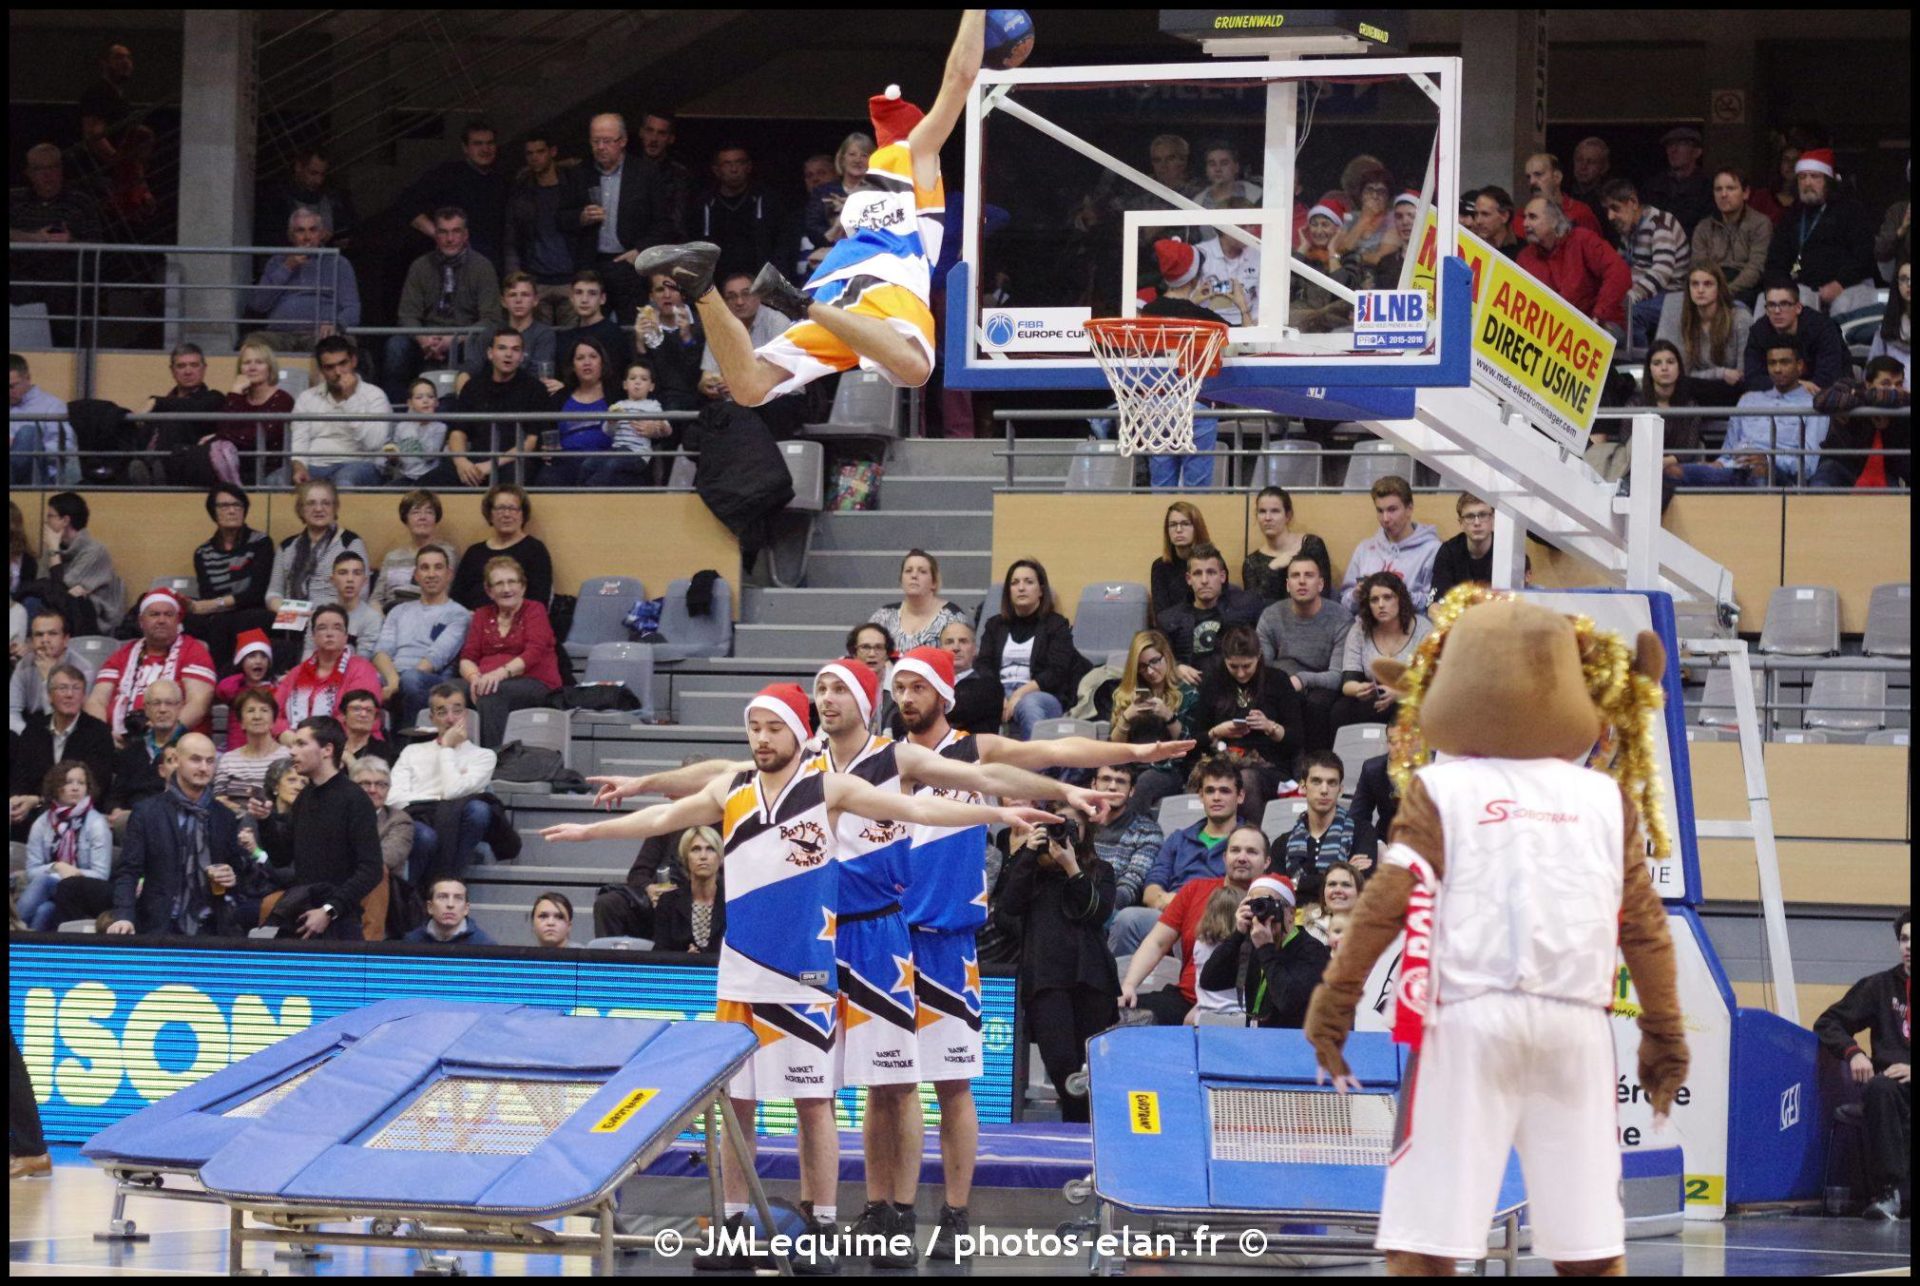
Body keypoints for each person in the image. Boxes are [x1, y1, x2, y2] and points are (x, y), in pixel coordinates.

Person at [543, 682, 1063, 1269]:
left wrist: (998, 812)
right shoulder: (733, 788)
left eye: (773, 728)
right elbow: (667, 815)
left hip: (806, 975)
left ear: (797, 731)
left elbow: (917, 809)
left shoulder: (827, 788)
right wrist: (590, 831)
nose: (762, 739)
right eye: (754, 729)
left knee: (813, 1104)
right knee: (736, 1105)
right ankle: (733, 1227)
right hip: (740, 972)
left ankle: (822, 1227)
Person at [1305, 594, 1685, 1277]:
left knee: (1426, 1245)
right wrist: (1664, 1031)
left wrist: (1335, 1001)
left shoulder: (1442, 787)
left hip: (1469, 1023)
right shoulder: (1606, 799)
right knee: (1591, 1251)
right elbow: (1646, 930)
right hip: (1576, 1032)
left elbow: (1385, 903)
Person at [636, 13, 985, 415]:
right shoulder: (916, 159)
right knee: (916, 368)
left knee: (750, 387)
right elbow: (960, 77)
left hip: (836, 290)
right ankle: (798, 304)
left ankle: (701, 285)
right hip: (886, 282)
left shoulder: (864, 189)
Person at [994, 806, 1118, 1121]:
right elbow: (1007, 908)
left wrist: (1072, 867)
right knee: (1061, 1064)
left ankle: (1085, 1131)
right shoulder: (1030, 871)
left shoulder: (1101, 870)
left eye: (1070, 825)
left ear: (1085, 832)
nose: (1061, 831)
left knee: (1091, 1067)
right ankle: (1078, 1125)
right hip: (1046, 978)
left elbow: (1098, 913)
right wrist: (1028, 853)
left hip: (1091, 976)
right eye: (1053, 825)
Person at [105, 733, 257, 937]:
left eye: (210, 761)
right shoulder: (147, 813)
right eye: (195, 759)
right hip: (159, 926)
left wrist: (233, 876)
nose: (203, 768)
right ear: (176, 760)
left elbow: (241, 873)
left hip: (212, 928)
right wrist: (123, 916)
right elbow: (128, 871)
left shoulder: (224, 816)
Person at [1813, 908, 1910, 1222]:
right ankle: (1889, 1194)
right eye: (1904, 939)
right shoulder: (1880, 987)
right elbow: (1828, 1022)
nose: (1909, 946)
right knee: (1879, 1088)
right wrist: (1853, 1052)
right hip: (1893, 1090)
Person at [1118, 822, 1267, 1026]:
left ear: (1267, 862)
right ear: (1224, 857)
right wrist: (1129, 985)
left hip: (1246, 1006)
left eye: (1251, 852)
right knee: (1121, 1016)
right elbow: (1157, 943)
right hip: (1187, 997)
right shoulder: (1195, 890)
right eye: (1235, 850)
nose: (1242, 857)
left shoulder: (1274, 898)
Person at [1107, 756, 1244, 958]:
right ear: (1201, 796)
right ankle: (1120, 979)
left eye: (1224, 791)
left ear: (1240, 796)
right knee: (1127, 919)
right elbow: (1151, 890)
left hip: (1218, 917)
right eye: (1210, 791)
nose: (1216, 797)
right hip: (1171, 915)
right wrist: (1169, 903)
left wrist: (1187, 903)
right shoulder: (1178, 839)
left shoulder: (1247, 842)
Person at [559, 112, 679, 325]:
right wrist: (581, 217)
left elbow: (664, 222)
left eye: (607, 141)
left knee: (634, 327)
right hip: (592, 264)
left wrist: (641, 250)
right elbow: (561, 218)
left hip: (630, 264)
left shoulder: (646, 173)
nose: (600, 147)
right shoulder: (579, 173)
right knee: (592, 328)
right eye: (595, 141)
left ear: (622, 141)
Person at [277, 715, 386, 940]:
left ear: (327, 750)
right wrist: (263, 821)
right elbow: (281, 856)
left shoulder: (354, 799)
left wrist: (330, 909)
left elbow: (371, 869)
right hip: (302, 914)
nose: (292, 751)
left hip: (339, 924)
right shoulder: (304, 797)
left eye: (301, 744)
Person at [384, 205, 503, 402]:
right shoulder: (420, 266)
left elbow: (491, 319)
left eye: (456, 232)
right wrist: (423, 339)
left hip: (466, 338)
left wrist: (455, 339)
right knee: (396, 346)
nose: (450, 239)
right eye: (443, 232)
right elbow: (407, 315)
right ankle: (398, 409)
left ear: (465, 235)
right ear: (436, 234)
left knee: (484, 341)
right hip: (426, 338)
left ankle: (471, 405)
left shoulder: (482, 266)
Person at [388, 682, 499, 886]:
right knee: (425, 836)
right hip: (420, 816)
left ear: (466, 715)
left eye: (457, 711)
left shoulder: (484, 756)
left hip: (457, 820)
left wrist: (447, 748)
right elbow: (393, 796)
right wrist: (434, 800)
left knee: (479, 810)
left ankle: (449, 880)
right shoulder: (413, 751)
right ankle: (413, 894)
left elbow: (451, 791)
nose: (450, 718)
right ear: (432, 718)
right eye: (442, 712)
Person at [1684, 339, 1829, 486]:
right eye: (1772, 363)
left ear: (1799, 366)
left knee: (1760, 470)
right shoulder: (1748, 400)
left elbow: (1809, 466)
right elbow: (1727, 451)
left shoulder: (1813, 406)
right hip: (1734, 469)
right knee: (1675, 472)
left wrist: (1768, 459)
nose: (1777, 369)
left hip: (1778, 475)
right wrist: (1718, 464)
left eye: (1784, 362)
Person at [1196, 873, 1327, 1029]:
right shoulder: (1252, 945)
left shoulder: (1312, 950)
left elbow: (1288, 1002)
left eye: (1268, 904)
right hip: (1255, 1037)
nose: (1261, 912)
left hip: (1294, 1040)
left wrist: (1266, 949)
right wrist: (1238, 934)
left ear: (1290, 913)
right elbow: (1209, 980)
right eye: (1255, 905)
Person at [86, 589, 217, 742]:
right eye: (154, 614)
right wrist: (105, 737)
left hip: (177, 744)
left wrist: (160, 740)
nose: (161, 620)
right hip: (118, 741)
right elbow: (97, 700)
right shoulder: (123, 654)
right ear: (141, 621)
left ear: (178, 621)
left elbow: (198, 704)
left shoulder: (193, 651)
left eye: (168, 615)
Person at [456, 555, 560, 748]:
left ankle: (493, 758)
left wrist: (498, 674)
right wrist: (474, 677)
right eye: (499, 584)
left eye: (512, 582)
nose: (506, 589)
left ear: (523, 586)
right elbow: (467, 657)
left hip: (534, 681)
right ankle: (450, 755)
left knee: (491, 693)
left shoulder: (534, 610)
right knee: (448, 692)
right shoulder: (481, 615)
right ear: (489, 591)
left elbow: (534, 652)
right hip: (486, 680)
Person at [1256, 553, 1353, 754]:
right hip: (1279, 681)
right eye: (1295, 575)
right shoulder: (1271, 615)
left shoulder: (1340, 618)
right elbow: (1261, 666)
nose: (1301, 581)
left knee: (1316, 704)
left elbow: (1338, 676)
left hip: (1319, 686)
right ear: (1287, 585)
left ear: (1320, 584)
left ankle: (1314, 764)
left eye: (1309, 575)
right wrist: (1283, 683)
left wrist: (1301, 680)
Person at [976, 558, 1082, 740]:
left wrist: (1020, 694)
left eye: (1028, 582)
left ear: (1041, 590)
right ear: (1008, 591)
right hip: (1000, 690)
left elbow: (1057, 671)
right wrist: (997, 695)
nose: (1021, 588)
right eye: (1015, 583)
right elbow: (983, 665)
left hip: (1040, 694)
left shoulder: (1056, 625)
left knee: (1028, 705)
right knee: (970, 700)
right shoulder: (995, 625)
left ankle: (1035, 759)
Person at [1764, 149, 1878, 318]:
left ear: (1828, 181)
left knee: (1843, 306)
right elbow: (1776, 259)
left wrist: (1840, 283)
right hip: (1802, 288)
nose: (1807, 183)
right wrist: (1783, 287)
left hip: (1849, 286)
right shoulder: (1792, 215)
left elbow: (1863, 255)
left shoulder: (1851, 210)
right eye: (1802, 177)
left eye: (1814, 176)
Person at [1194, 625, 1302, 800]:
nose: (1241, 673)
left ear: (1258, 656)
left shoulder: (1277, 680)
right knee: (1219, 779)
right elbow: (1195, 738)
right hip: (1223, 760)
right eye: (1233, 666)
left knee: (1244, 779)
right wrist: (1217, 732)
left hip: (1269, 764)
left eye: (1246, 666)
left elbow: (1297, 738)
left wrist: (1271, 727)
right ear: (1224, 660)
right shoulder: (1213, 683)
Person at [436, 328, 549, 490]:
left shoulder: (535, 389)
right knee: (431, 482)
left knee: (509, 487)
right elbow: (457, 431)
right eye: (502, 348)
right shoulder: (473, 386)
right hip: (475, 459)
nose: (508, 354)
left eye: (515, 349)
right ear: (490, 353)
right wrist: (461, 462)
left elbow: (531, 441)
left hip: (514, 460)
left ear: (521, 356)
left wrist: (491, 465)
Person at [263, 478, 370, 647]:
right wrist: (296, 611)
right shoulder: (287, 547)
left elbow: (361, 592)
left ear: (335, 508)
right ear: (301, 509)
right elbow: (273, 594)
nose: (319, 509)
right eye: (311, 503)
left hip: (335, 620)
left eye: (325, 503)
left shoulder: (350, 542)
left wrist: (321, 614)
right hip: (293, 619)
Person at [10, 664, 111, 842]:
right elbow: (20, 776)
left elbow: (94, 786)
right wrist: (17, 800)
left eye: (76, 688)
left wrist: (39, 800)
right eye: (62, 688)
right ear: (49, 696)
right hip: (30, 809)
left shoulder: (98, 732)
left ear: (83, 696)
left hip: (78, 812)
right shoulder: (34, 729)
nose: (69, 694)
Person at [373, 546, 470, 727]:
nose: (431, 574)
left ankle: (407, 738)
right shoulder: (398, 610)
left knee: (411, 679)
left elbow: (435, 658)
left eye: (438, 567)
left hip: (432, 679)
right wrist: (393, 680)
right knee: (362, 678)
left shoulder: (459, 614)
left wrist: (398, 684)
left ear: (449, 574)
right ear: (416, 575)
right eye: (425, 568)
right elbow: (381, 652)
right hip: (395, 676)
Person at [186, 484, 278, 673]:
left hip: (253, 611)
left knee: (223, 623)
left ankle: (222, 677)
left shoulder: (261, 543)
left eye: (237, 505)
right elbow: (207, 594)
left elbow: (256, 593)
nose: (232, 510)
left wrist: (218, 603)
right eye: (224, 506)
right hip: (220, 615)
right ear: (214, 512)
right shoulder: (203, 552)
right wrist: (212, 605)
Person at [17, 761, 113, 930]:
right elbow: (31, 871)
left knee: (46, 881)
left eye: (81, 783)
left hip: (85, 889)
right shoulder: (42, 823)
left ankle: (14, 926)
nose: (75, 788)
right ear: (55, 787)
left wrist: (71, 873)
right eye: (68, 782)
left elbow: (101, 875)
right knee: (45, 910)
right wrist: (57, 867)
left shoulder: (97, 823)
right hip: (52, 892)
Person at [249, 207, 361, 349]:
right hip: (279, 334)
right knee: (252, 345)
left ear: (321, 234)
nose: (307, 237)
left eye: (313, 230)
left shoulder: (338, 262)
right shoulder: (277, 260)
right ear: (291, 236)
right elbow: (258, 304)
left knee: (337, 346)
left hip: (319, 335)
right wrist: (287, 267)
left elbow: (352, 308)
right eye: (300, 231)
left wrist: (336, 324)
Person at [1600, 178, 1691, 352]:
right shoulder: (1628, 229)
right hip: (1647, 295)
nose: (1610, 216)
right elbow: (1618, 267)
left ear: (1633, 202)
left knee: (1633, 313)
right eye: (1607, 210)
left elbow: (1661, 272)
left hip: (1671, 295)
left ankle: (1643, 362)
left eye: (1615, 208)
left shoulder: (1660, 222)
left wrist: (1630, 296)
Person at [1517, 197, 1632, 334]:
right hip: (1551, 333)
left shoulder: (1582, 240)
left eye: (1532, 217)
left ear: (1554, 221)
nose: (1525, 223)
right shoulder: (1525, 257)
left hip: (1599, 325)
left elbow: (1619, 272)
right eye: (1525, 217)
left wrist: (1598, 316)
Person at [1333, 572, 1430, 733]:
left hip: (1413, 697)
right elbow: (1348, 683)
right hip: (1374, 695)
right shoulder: (1359, 630)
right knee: (1341, 710)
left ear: (1400, 599)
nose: (1381, 605)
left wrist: (1399, 694)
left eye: (1387, 597)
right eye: (1374, 600)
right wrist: (1359, 689)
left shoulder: (1423, 629)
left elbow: (1432, 685)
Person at [287, 336, 390, 488]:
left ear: (353, 361)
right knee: (276, 480)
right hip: (314, 465)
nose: (338, 372)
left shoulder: (375, 395)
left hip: (359, 464)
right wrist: (299, 467)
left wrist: (351, 398)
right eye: (329, 367)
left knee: (344, 481)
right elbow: (299, 440)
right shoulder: (306, 398)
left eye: (343, 363)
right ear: (321, 370)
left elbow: (374, 444)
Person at [503, 135, 583, 326]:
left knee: (572, 339)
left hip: (570, 278)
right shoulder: (521, 192)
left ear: (552, 152)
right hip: (536, 279)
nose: (535, 157)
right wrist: (516, 277)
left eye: (540, 151)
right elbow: (511, 237)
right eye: (529, 153)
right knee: (537, 339)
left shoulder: (572, 187)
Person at [1158, 543, 1263, 681]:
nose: (1204, 580)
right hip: (1190, 685)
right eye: (1197, 573)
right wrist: (1175, 668)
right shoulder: (1169, 619)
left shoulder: (1246, 607)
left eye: (1211, 572)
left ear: (1222, 576)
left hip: (1234, 681)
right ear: (1189, 579)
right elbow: (1157, 659)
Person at [1339, 476, 1441, 613]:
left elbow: (1432, 601)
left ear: (1409, 509)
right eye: (1380, 511)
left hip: (1411, 624)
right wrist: (1355, 595)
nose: (1385, 519)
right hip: (1366, 624)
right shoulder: (1364, 549)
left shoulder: (1432, 550)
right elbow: (1344, 601)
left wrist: (1397, 595)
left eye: (1392, 510)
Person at [30, 491, 122, 638]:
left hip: (91, 618)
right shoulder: (54, 549)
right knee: (31, 602)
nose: (46, 522)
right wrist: (53, 552)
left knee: (66, 602)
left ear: (65, 520)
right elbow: (40, 583)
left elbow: (60, 592)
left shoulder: (95, 551)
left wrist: (54, 552)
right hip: (58, 611)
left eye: (50, 516)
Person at [274, 604, 382, 727]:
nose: (329, 633)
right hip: (294, 736)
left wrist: (312, 735)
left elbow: (359, 718)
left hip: (345, 737)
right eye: (322, 628)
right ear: (313, 637)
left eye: (337, 628)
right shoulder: (296, 673)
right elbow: (273, 714)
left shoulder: (362, 669)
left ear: (346, 637)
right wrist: (285, 733)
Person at [1811, 357, 1910, 489]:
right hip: (1840, 463)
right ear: (1868, 384)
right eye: (1885, 384)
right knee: (1819, 488)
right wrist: (1868, 401)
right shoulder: (1848, 385)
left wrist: (1858, 396)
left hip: (1883, 469)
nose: (1893, 389)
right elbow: (1822, 400)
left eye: (1898, 384)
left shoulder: (1903, 401)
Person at [1742, 274, 1852, 392]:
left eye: (1784, 304)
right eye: (1772, 305)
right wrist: (1795, 385)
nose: (1777, 311)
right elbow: (1752, 378)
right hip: (1776, 396)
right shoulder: (1758, 332)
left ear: (1798, 308)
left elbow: (1829, 377)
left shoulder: (1823, 328)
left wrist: (1794, 388)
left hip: (1825, 396)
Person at [450, 484, 553, 609]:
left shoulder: (535, 550)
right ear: (490, 514)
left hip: (517, 619)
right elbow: (457, 598)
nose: (506, 514)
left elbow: (539, 601)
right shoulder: (474, 552)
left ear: (523, 515)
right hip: (472, 618)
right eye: (500, 508)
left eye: (513, 508)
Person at [103, 676, 186, 824]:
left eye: (169, 703)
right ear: (146, 709)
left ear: (180, 707)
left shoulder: (189, 747)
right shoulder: (131, 750)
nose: (162, 709)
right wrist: (116, 811)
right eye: (156, 703)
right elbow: (115, 796)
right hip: (131, 821)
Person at [212, 340, 295, 486]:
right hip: (239, 465)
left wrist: (223, 436)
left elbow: (257, 439)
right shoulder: (237, 398)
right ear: (240, 369)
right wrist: (235, 393)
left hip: (268, 469)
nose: (252, 368)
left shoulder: (283, 399)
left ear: (270, 368)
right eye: (246, 363)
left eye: (259, 362)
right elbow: (223, 429)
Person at [696, 144, 782, 282]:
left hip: (759, 280)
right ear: (716, 170)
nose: (734, 169)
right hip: (717, 281)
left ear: (749, 167)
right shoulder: (705, 204)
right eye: (727, 164)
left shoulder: (766, 200)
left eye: (739, 162)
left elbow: (778, 245)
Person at [1656, 261, 1752, 386]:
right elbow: (1680, 373)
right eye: (1695, 284)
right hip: (1694, 387)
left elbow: (1742, 375)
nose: (1700, 290)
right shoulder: (1682, 319)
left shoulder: (1741, 319)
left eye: (1708, 284)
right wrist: (1720, 373)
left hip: (1732, 390)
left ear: (1719, 288)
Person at [1089, 763, 1165, 918]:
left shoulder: (1147, 832)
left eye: (1121, 781)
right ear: (1093, 784)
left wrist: (1096, 907)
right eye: (1106, 779)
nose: (1112, 787)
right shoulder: (1079, 823)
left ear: (1132, 791)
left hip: (1111, 912)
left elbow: (1131, 884)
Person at [254, 145, 357, 255]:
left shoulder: (334, 197)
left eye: (322, 175)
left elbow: (350, 230)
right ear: (298, 167)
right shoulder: (275, 197)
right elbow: (266, 238)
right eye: (313, 173)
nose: (318, 181)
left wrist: (341, 239)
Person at [462, 272, 559, 386]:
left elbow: (539, 376)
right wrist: (462, 389)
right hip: (490, 391)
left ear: (535, 300)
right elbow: (470, 369)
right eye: (512, 295)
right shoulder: (491, 332)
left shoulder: (543, 334)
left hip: (527, 392)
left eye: (525, 295)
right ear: (503, 301)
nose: (518, 300)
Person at [1692, 167, 1773, 304]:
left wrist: (1726, 292)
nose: (1723, 194)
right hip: (1709, 287)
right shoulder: (1703, 227)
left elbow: (1756, 268)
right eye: (1718, 189)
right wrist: (1710, 291)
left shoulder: (1760, 224)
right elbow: (1699, 266)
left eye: (1730, 188)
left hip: (1745, 289)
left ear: (1745, 193)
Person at [1276, 751, 1359, 881]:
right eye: (1316, 782)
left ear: (1340, 790)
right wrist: (1345, 876)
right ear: (1303, 787)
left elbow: (1362, 883)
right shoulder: (1282, 843)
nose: (1324, 790)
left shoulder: (1361, 834)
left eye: (1332, 783)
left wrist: (1297, 884)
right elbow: (1277, 888)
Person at [1242, 485, 1330, 603]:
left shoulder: (1311, 545)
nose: (1267, 518)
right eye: (1262, 511)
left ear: (1288, 516)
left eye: (1275, 511)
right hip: (1272, 615)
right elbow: (1253, 606)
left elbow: (1324, 592)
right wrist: (1272, 569)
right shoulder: (1252, 562)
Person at [802, 132, 876, 272]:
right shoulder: (823, 192)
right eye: (852, 154)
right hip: (829, 262)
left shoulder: (880, 194)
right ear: (842, 159)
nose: (857, 160)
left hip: (867, 261)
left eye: (864, 155)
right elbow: (812, 228)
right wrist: (834, 231)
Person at [869, 549, 967, 653]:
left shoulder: (952, 617)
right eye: (908, 571)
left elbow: (960, 656)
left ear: (934, 582)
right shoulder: (884, 616)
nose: (914, 576)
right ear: (901, 580)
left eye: (922, 571)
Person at [376, 490, 459, 610]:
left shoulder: (446, 553)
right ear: (406, 519)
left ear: (436, 519)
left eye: (429, 512)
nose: (422, 517)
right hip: (390, 613)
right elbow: (376, 598)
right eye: (416, 512)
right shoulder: (392, 557)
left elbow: (443, 594)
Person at [553, 271, 633, 392]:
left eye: (592, 293)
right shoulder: (565, 338)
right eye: (579, 292)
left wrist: (566, 388)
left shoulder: (614, 335)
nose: (584, 300)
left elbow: (616, 380)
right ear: (571, 298)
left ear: (602, 299)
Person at [212, 688, 290, 810]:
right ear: (241, 723)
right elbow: (219, 799)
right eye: (250, 711)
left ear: (273, 721)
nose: (257, 716)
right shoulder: (228, 759)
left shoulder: (287, 756)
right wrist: (245, 813)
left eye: (264, 710)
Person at [7, 354, 78, 488]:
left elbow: (66, 446)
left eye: (11, 386)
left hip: (38, 475)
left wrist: (22, 446)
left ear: (27, 379)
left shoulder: (52, 405)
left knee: (28, 434)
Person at [596, 360, 671, 486]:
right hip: (616, 450)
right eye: (632, 378)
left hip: (638, 454)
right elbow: (607, 431)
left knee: (611, 464)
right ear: (625, 384)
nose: (637, 382)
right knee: (589, 464)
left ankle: (590, 491)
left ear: (651, 386)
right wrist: (611, 421)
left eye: (644, 379)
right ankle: (580, 493)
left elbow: (667, 429)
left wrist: (659, 427)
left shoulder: (653, 406)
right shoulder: (618, 405)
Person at [10, 608, 86, 734]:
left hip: (69, 731)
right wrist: (26, 735)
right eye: (39, 634)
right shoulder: (24, 664)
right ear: (32, 640)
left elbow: (63, 720)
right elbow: (12, 711)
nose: (45, 640)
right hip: (29, 727)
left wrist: (49, 678)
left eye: (52, 633)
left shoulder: (82, 669)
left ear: (65, 640)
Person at [651, 827, 725, 953]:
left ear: (720, 858)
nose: (703, 856)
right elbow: (660, 953)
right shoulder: (668, 902)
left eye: (710, 849)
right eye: (696, 849)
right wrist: (684, 959)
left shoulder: (732, 902)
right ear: (685, 858)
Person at [351, 757, 416, 885]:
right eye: (365, 783)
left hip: (379, 887)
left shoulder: (399, 820)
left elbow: (386, 858)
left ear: (388, 789)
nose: (373, 790)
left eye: (381, 785)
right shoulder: (337, 814)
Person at [935, 618, 1002, 736]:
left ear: (975, 649)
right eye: (949, 642)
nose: (956, 648)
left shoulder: (989, 686)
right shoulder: (931, 683)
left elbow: (957, 712)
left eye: (963, 641)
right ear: (940, 650)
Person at [309, 551, 381, 660]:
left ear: (365, 581)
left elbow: (362, 660)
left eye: (357, 573)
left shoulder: (372, 618)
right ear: (332, 580)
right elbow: (309, 653)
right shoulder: (320, 614)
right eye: (343, 573)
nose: (350, 579)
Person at [1515, 152, 1604, 237]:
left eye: (1538, 174)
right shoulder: (1521, 218)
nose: (1532, 182)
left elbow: (1595, 247)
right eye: (1528, 177)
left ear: (1557, 177)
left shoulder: (1581, 213)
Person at [1644, 126, 1714, 234]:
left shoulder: (1708, 187)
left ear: (1697, 152)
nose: (1673, 150)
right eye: (1669, 145)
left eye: (1681, 144)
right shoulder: (1655, 186)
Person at [1429, 492, 1499, 600]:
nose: (1477, 523)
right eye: (1470, 516)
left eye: (1483, 515)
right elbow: (1435, 603)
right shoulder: (1448, 552)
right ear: (1461, 523)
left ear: (1493, 518)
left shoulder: (1507, 551)